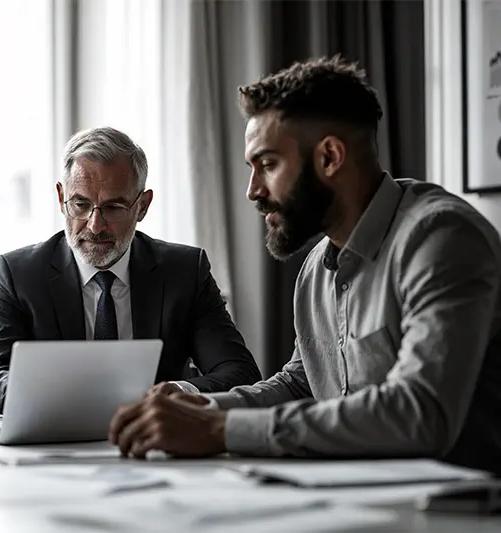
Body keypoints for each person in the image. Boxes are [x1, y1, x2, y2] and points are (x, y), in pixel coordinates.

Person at [108, 56, 501, 474]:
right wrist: (199, 407)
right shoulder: (316, 266)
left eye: (268, 164)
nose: (253, 191)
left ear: (330, 157)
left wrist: (221, 428)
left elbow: (420, 412)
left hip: (461, 509)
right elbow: (301, 384)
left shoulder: (442, 238)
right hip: (356, 496)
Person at [0, 126, 261, 413]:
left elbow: (239, 373)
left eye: (113, 208)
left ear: (143, 206)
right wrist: (65, 396)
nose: (95, 225)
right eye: (80, 204)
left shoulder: (185, 271)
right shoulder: (19, 274)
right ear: (61, 198)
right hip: (54, 438)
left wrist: (177, 392)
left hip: (156, 439)